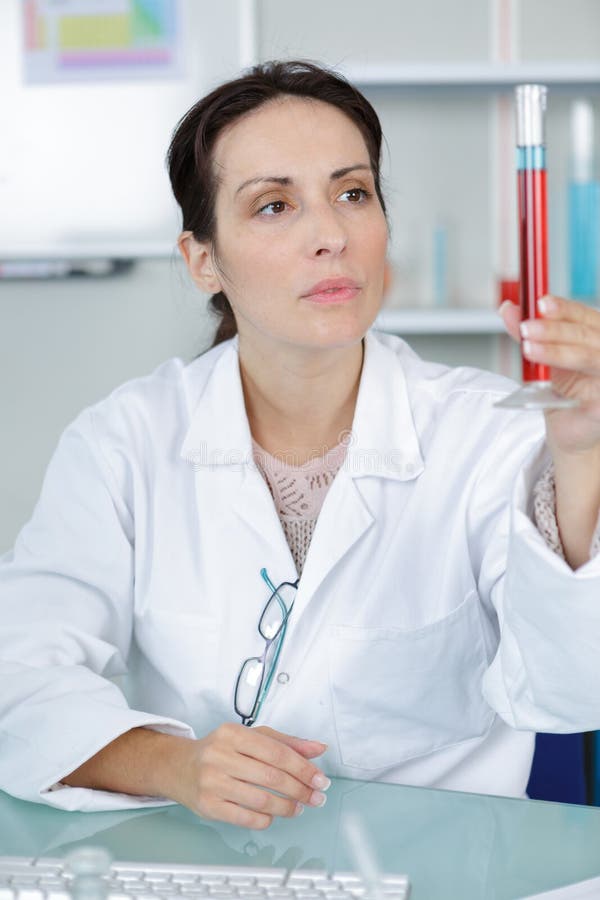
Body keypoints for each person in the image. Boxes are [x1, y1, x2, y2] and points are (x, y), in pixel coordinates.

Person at [1, 60, 600, 832]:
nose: (331, 235)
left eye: (353, 193)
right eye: (275, 205)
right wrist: (172, 763)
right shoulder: (128, 440)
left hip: (439, 867)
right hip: (205, 864)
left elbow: (573, 690)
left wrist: (583, 458)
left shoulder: (493, 432)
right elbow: (16, 669)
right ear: (203, 260)